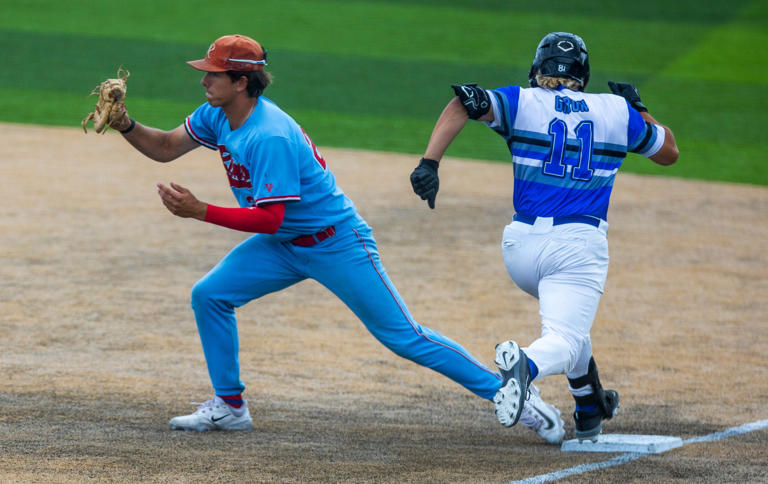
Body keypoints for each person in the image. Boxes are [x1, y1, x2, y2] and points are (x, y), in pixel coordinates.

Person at [101, 34, 565, 442]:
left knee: (404, 336)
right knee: (210, 296)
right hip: (285, 245)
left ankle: (514, 395)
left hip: (335, 243)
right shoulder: (216, 115)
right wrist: (125, 124)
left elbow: (268, 218)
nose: (204, 81)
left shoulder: (270, 136)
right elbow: (164, 148)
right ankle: (230, 408)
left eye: (214, 75)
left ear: (242, 82)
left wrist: (201, 211)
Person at [410, 32, 678, 442]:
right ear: (583, 74)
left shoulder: (521, 100)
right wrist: (642, 109)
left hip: (519, 249)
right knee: (566, 340)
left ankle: (590, 407)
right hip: (576, 247)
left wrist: (430, 162)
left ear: (538, 68)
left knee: (570, 324)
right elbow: (669, 152)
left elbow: (464, 101)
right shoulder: (617, 111)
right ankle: (525, 367)